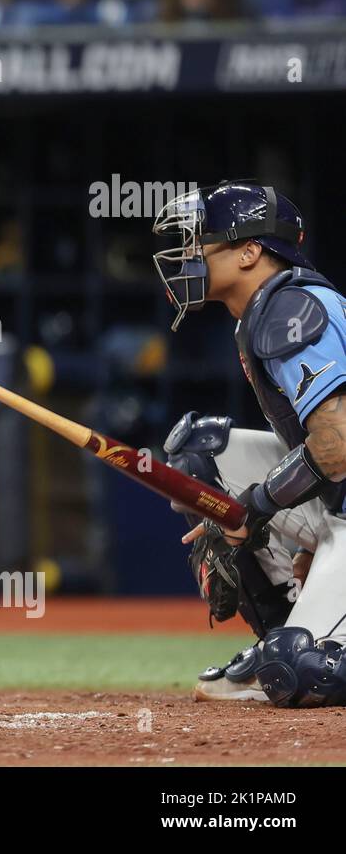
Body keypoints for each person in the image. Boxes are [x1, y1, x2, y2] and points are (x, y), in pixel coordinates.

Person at [153, 181, 346, 707]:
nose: (189, 255)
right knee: (199, 452)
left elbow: (338, 445)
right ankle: (283, 635)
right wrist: (301, 537)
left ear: (249, 252)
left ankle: (299, 649)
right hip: (339, 505)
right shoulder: (266, 311)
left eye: (201, 242)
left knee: (305, 671)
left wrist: (254, 508)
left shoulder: (292, 309)